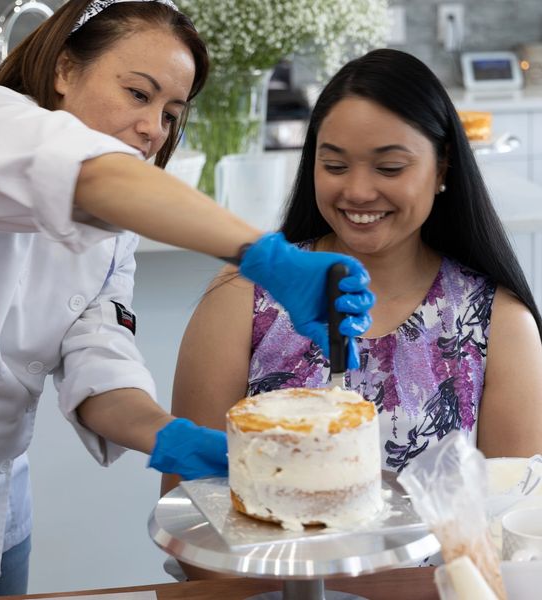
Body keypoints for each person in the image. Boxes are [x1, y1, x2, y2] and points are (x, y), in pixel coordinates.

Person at [0, 0, 374, 597]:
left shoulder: (111, 235)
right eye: (138, 95)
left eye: (172, 112)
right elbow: (95, 175)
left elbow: (99, 370)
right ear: (65, 70)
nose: (154, 128)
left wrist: (169, 437)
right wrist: (270, 259)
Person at [163, 48, 542, 500]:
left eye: (389, 167)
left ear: (442, 167)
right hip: (268, 572)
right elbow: (189, 506)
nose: (358, 191)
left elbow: (513, 527)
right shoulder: (244, 296)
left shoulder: (498, 321)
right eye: (335, 165)